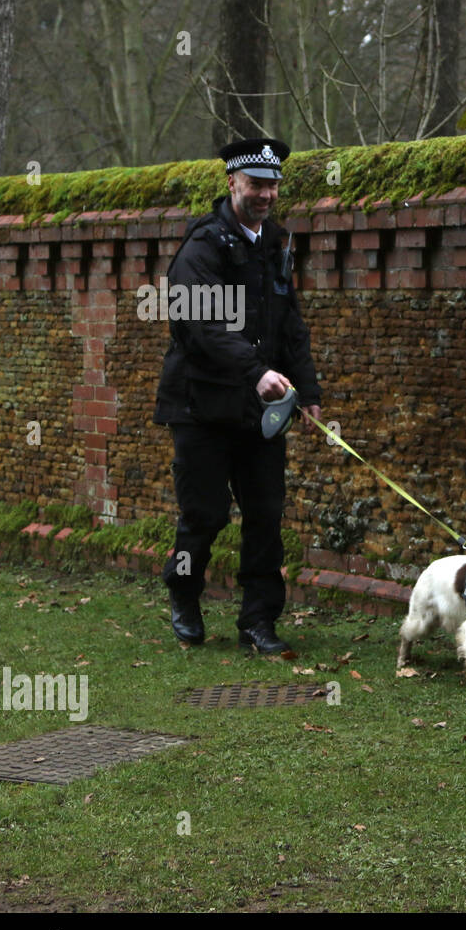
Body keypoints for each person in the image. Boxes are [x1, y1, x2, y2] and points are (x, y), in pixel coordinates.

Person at [153, 138, 323, 655]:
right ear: (232, 183)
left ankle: (258, 622)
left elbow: (289, 325)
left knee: (266, 515)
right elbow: (198, 325)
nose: (266, 194)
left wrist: (308, 390)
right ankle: (184, 592)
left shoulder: (276, 244)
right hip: (200, 407)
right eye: (256, 184)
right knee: (204, 516)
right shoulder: (203, 246)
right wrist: (255, 371)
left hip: (259, 411)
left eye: (272, 185)